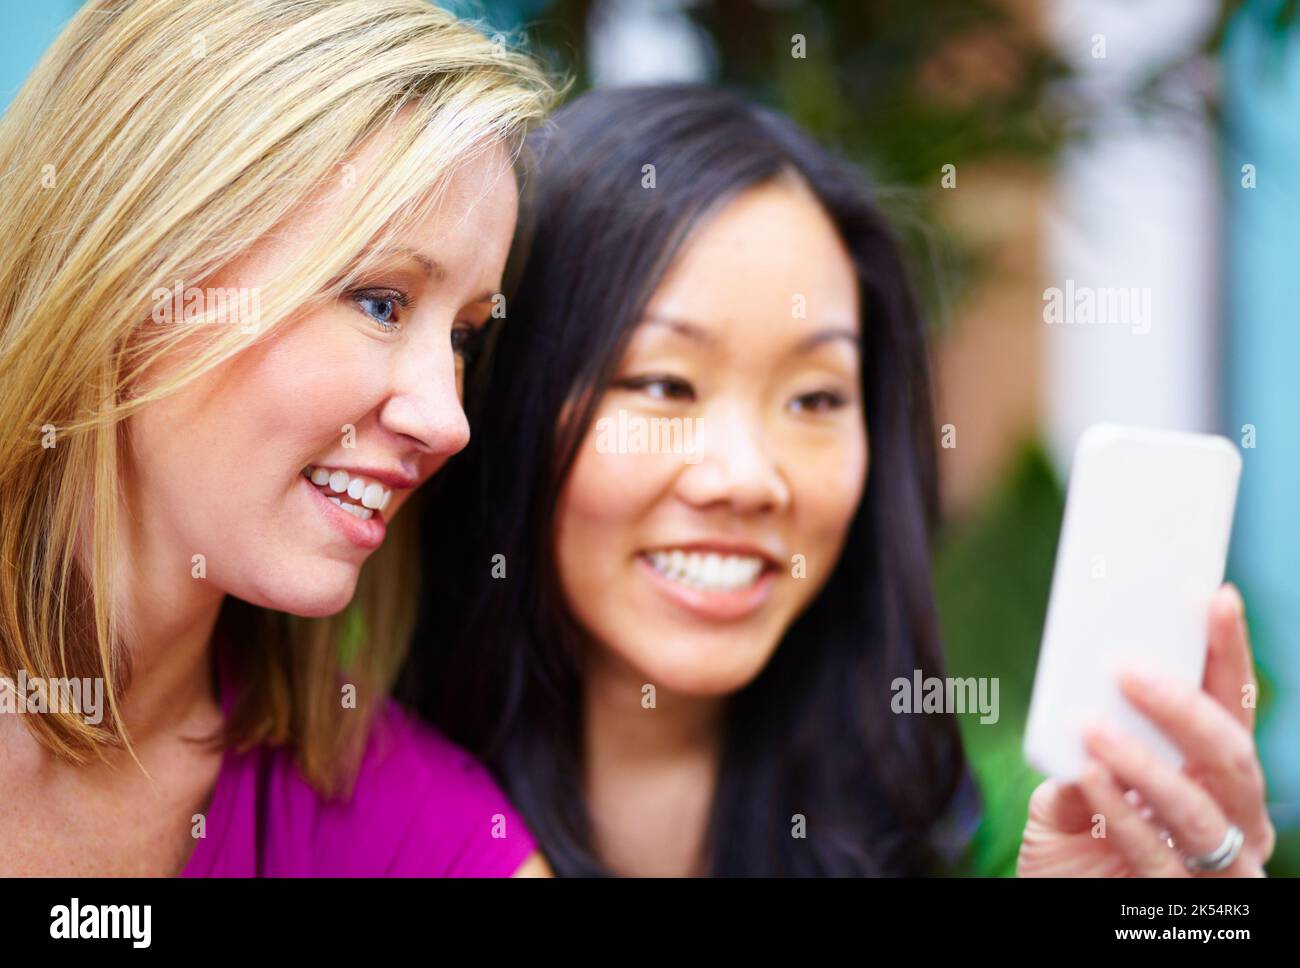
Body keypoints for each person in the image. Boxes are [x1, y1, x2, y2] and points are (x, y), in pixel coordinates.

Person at [407, 84, 1274, 877]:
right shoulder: (338, 820)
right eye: (664, 384)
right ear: (507, 397)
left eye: (816, 397)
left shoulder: (1014, 835)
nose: (749, 478)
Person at [0, 0, 553, 877]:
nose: (449, 422)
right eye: (381, 301)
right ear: (136, 263)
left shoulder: (427, 838)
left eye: (463, 338)